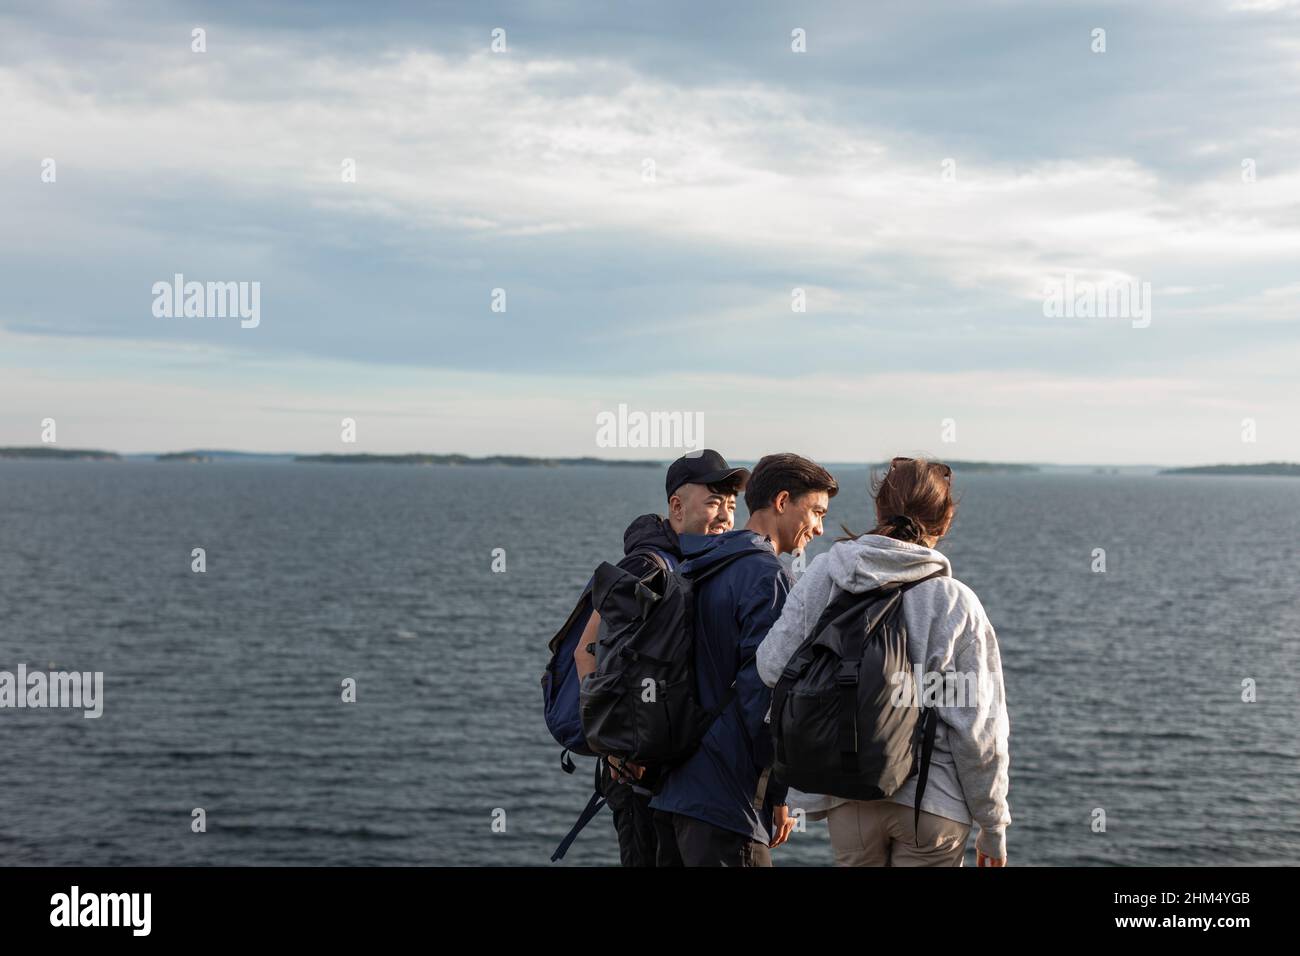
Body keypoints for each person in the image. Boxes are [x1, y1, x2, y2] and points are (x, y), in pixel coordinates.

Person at [756, 457, 1010, 867]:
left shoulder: (826, 574)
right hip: (932, 804)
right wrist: (993, 824)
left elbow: (771, 666)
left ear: (879, 510)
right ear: (944, 524)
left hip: (848, 797)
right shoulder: (954, 601)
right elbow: (978, 730)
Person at [649, 452, 838, 866]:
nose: (820, 528)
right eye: (816, 511)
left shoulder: (698, 564)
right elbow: (764, 697)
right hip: (727, 803)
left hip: (674, 793)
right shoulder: (767, 578)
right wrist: (777, 793)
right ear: (783, 500)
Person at [574, 449, 747, 867]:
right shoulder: (647, 566)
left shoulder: (702, 562)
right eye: (712, 502)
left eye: (730, 505)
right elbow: (586, 651)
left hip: (677, 769)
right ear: (676, 506)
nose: (725, 515)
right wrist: (613, 747)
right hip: (637, 774)